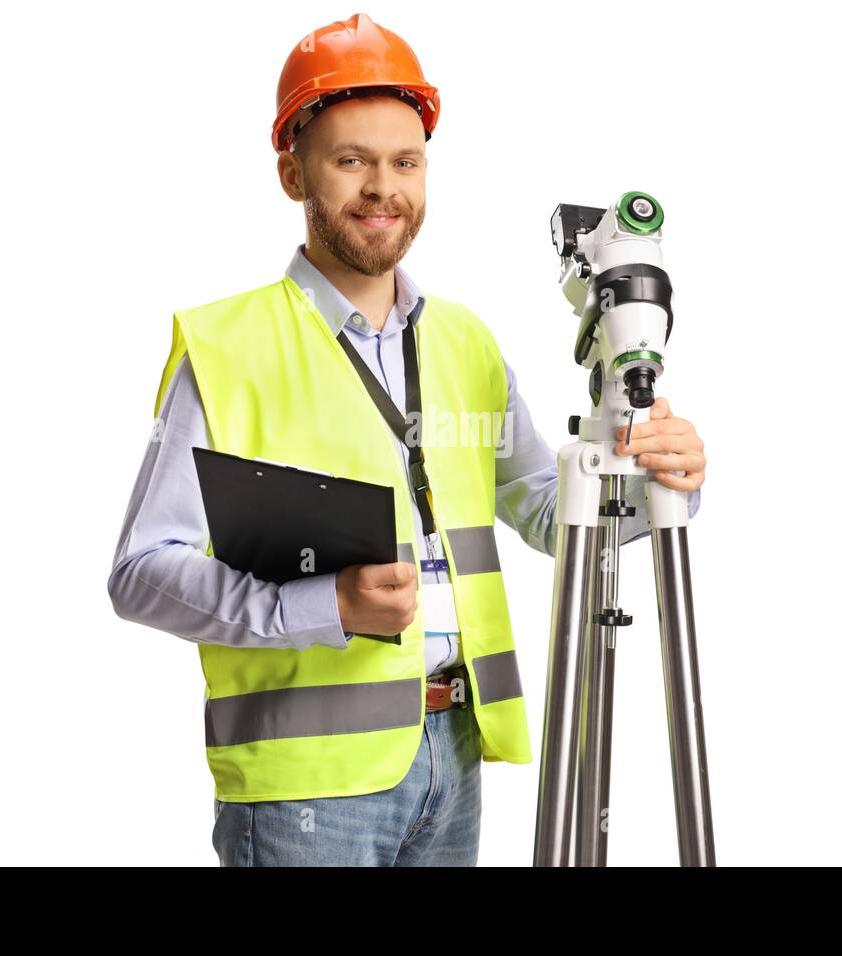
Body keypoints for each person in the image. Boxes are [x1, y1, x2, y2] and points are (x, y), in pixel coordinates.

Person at [107, 12, 706, 867]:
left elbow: (547, 511)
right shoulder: (226, 347)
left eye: (405, 161)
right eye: (351, 160)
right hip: (306, 787)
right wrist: (323, 607)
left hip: (453, 756)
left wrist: (660, 482)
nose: (383, 187)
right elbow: (139, 573)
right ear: (293, 171)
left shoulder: (464, 341)